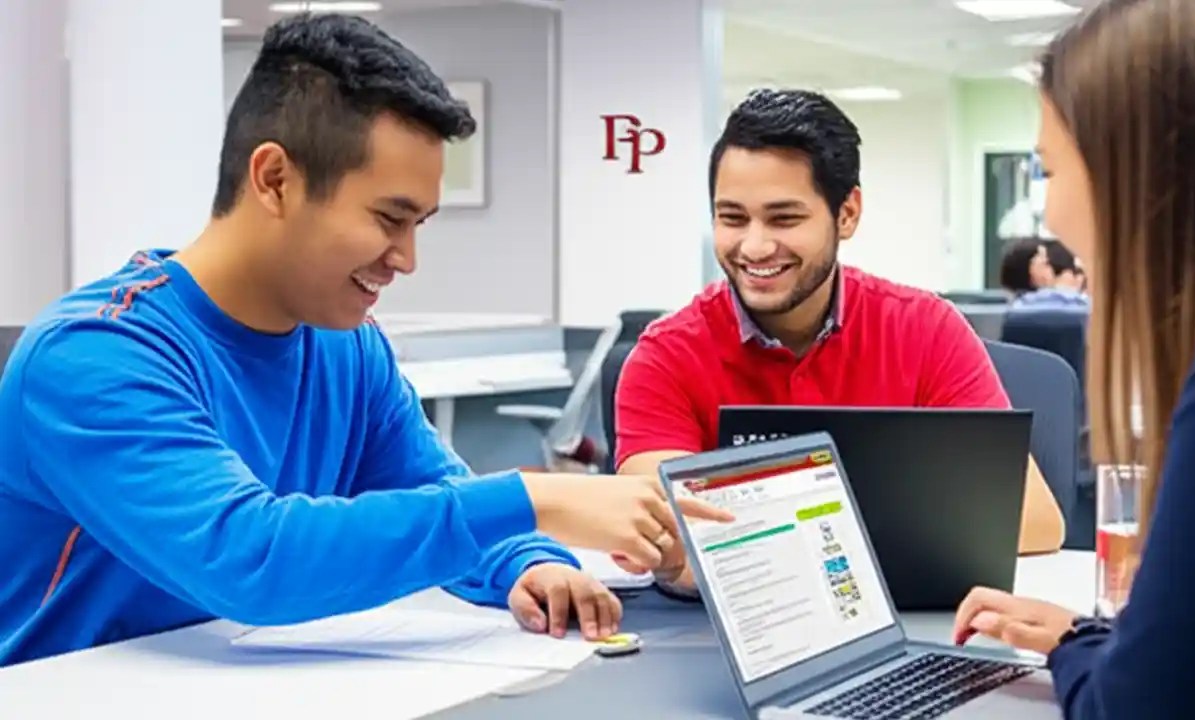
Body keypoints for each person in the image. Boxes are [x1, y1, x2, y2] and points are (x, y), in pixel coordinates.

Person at [0, 13, 730, 668]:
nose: (407, 258)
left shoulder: (347, 345)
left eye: (420, 224)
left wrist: (526, 564)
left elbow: (430, 489)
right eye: (389, 218)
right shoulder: (94, 358)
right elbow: (252, 558)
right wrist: (534, 500)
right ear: (276, 179)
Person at [952, 0, 1195, 716]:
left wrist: (1089, 655)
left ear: (1143, 170)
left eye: (1048, 170)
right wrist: (1098, 643)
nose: (1051, 217)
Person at [612, 89, 1066, 595]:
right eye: (732, 218)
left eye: (784, 218)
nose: (755, 246)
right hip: (720, 641)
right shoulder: (665, 356)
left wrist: (755, 533)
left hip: (910, 627)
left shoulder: (928, 328)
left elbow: (1033, 520)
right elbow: (657, 534)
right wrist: (907, 525)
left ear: (846, 214)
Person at [999, 237, 1088, 311]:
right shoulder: (1070, 304)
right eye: (1046, 264)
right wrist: (1067, 291)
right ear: (1032, 273)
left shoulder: (1015, 309)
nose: (1052, 270)